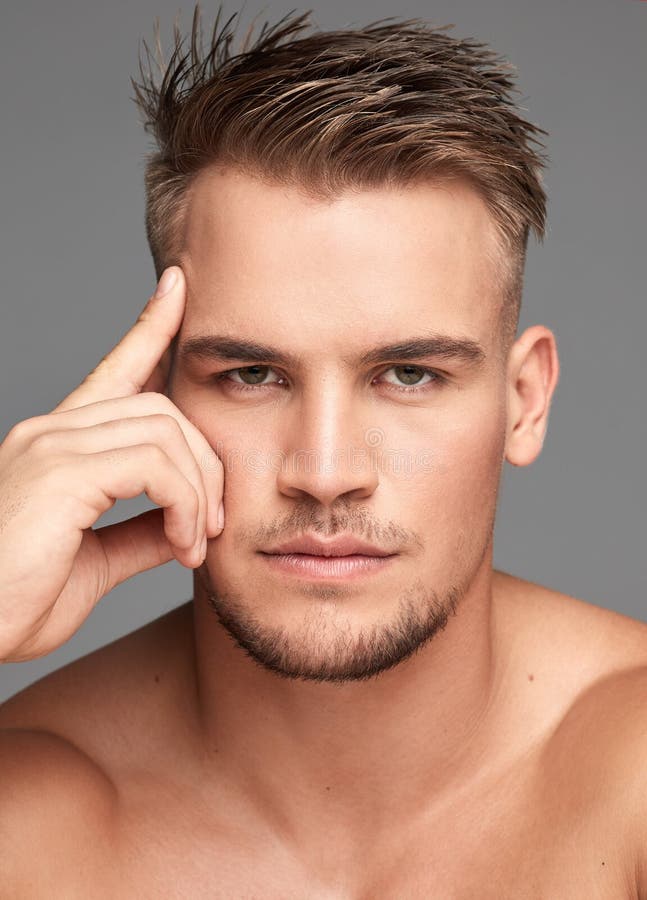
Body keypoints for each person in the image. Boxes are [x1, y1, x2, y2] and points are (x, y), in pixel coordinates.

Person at [1, 5, 646, 895]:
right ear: (155, 399)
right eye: (252, 374)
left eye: (409, 374)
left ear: (523, 401)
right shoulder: (30, 818)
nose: (325, 473)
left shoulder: (630, 772)